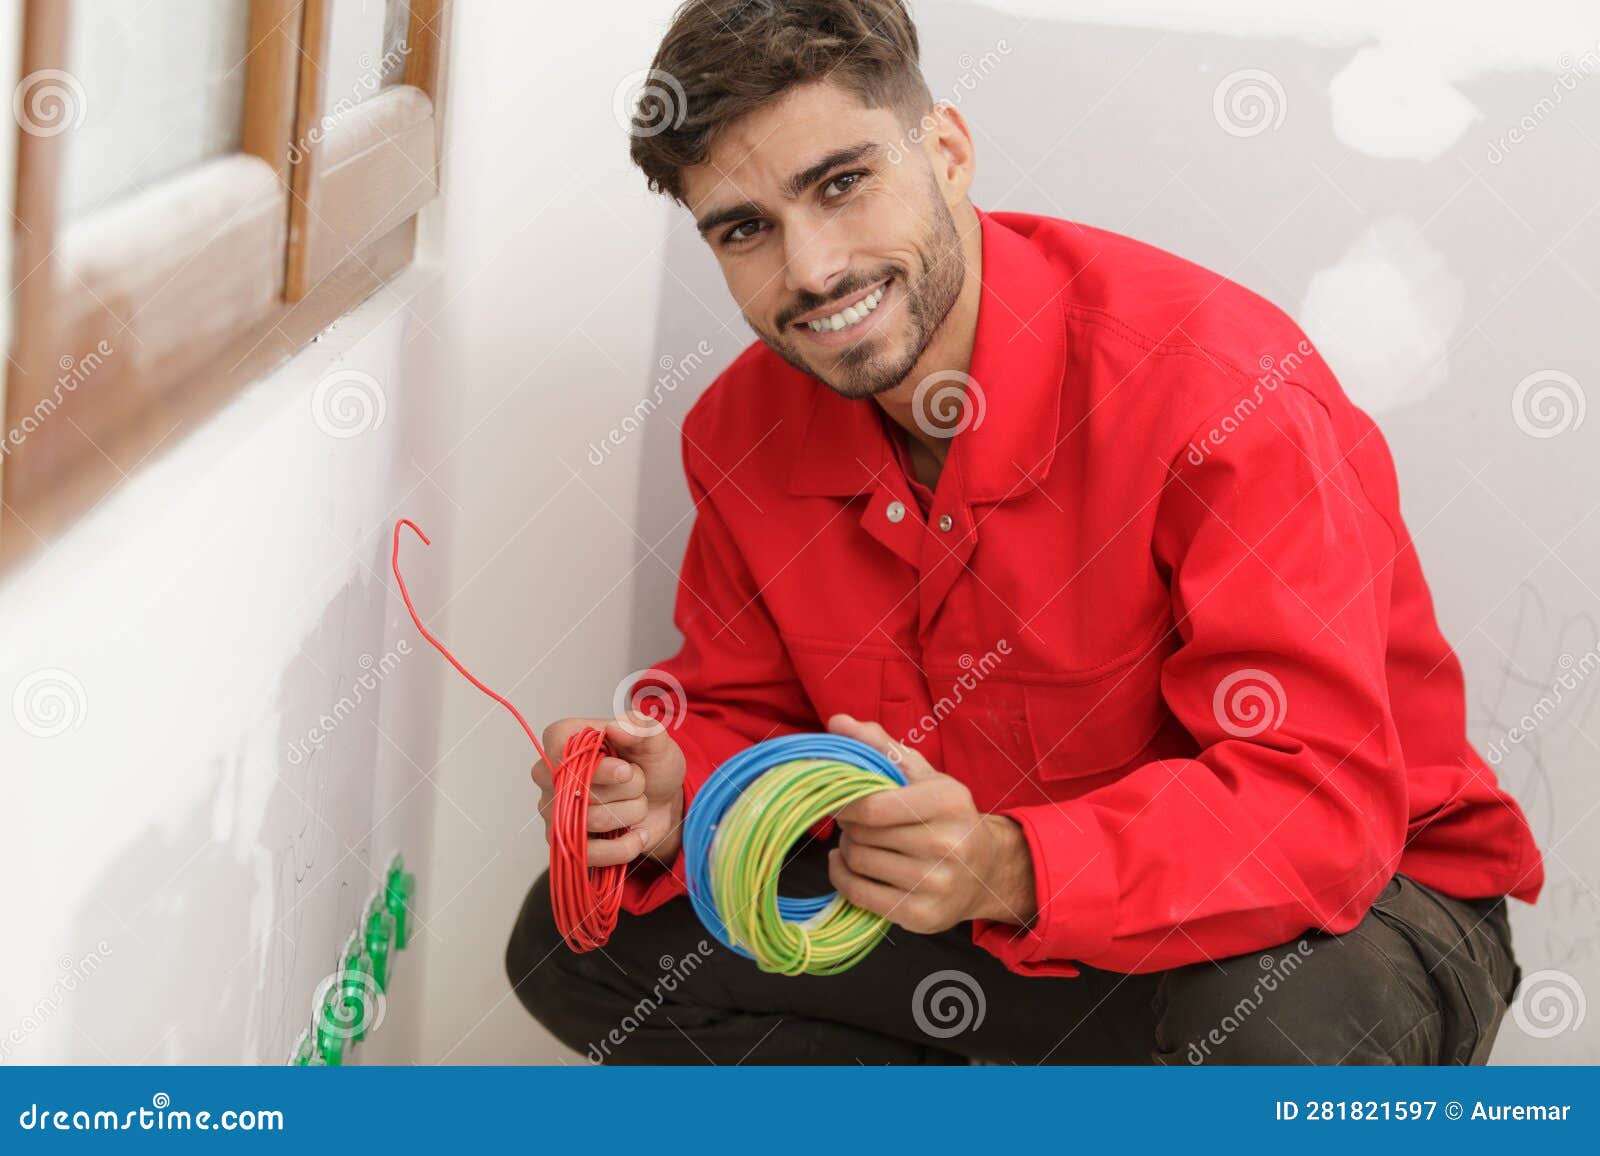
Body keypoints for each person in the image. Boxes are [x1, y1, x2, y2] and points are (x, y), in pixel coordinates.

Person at [507, 0, 1541, 1064]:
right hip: (995, 911)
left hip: (1348, 908)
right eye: (744, 228)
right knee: (576, 945)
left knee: (1263, 1043)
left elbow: (1314, 807)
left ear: (945, 151)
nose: (810, 269)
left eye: (841, 182)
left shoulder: (1218, 392)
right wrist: (684, 788)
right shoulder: (739, 429)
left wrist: (1010, 865)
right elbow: (759, 713)